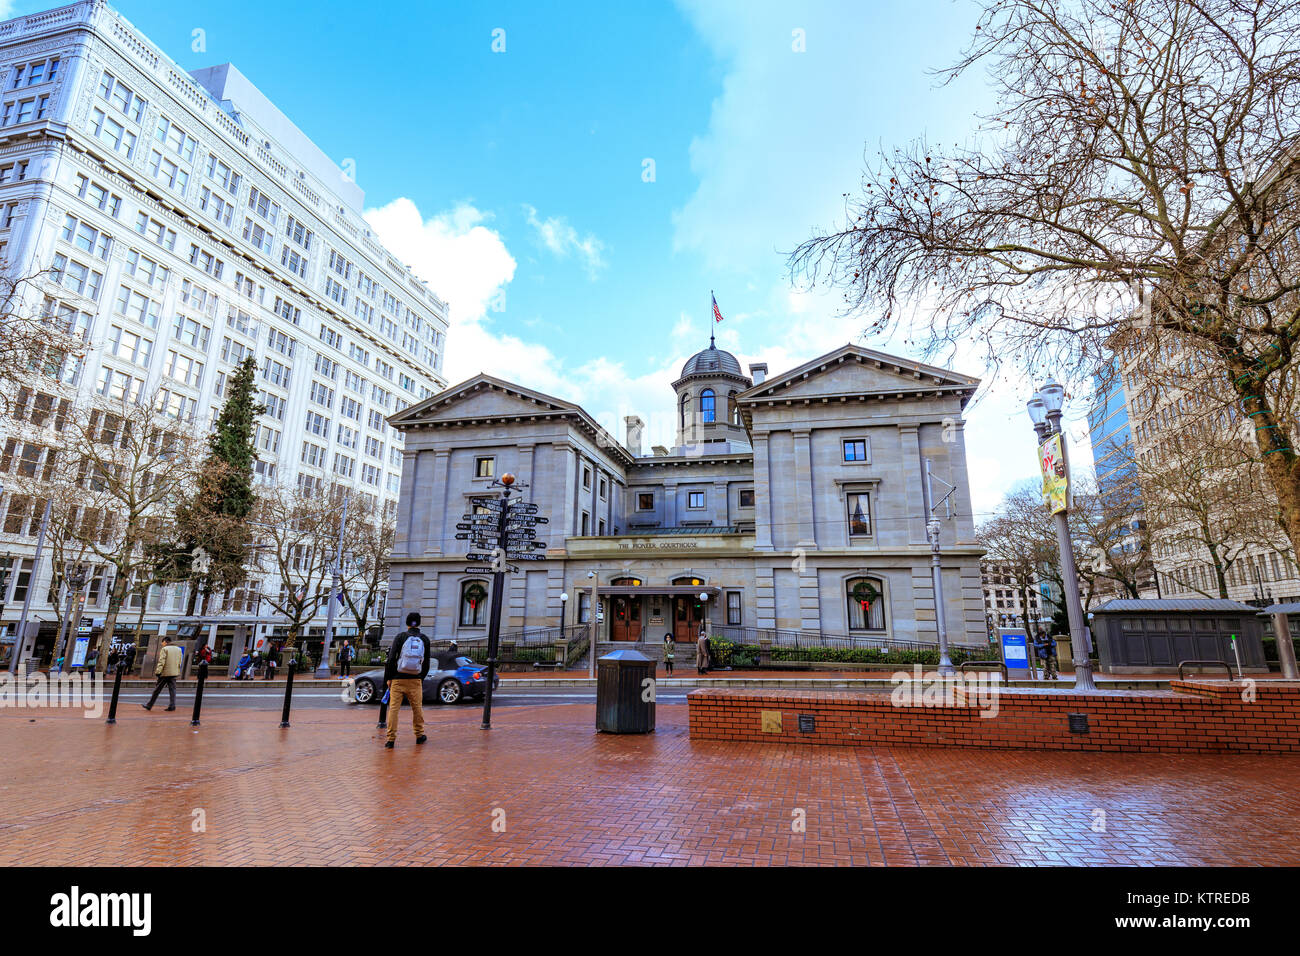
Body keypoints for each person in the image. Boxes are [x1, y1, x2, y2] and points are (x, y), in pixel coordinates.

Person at [383, 612, 431, 749]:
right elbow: (426, 663)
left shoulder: (400, 637)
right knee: (417, 709)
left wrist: (390, 678)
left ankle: (391, 739)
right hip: (415, 679)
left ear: (407, 623)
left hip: (398, 679)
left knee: (393, 709)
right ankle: (419, 735)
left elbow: (391, 659)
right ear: (419, 623)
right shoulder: (425, 639)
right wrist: (420, 678)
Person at [142, 636, 182, 711]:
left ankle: (149, 705)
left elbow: (161, 661)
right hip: (174, 672)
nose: (162, 644)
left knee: (157, 690)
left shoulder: (164, 649)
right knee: (172, 690)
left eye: (162, 642)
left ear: (165, 642)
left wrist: (158, 672)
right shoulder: (178, 649)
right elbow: (179, 661)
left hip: (165, 673)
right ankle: (172, 706)